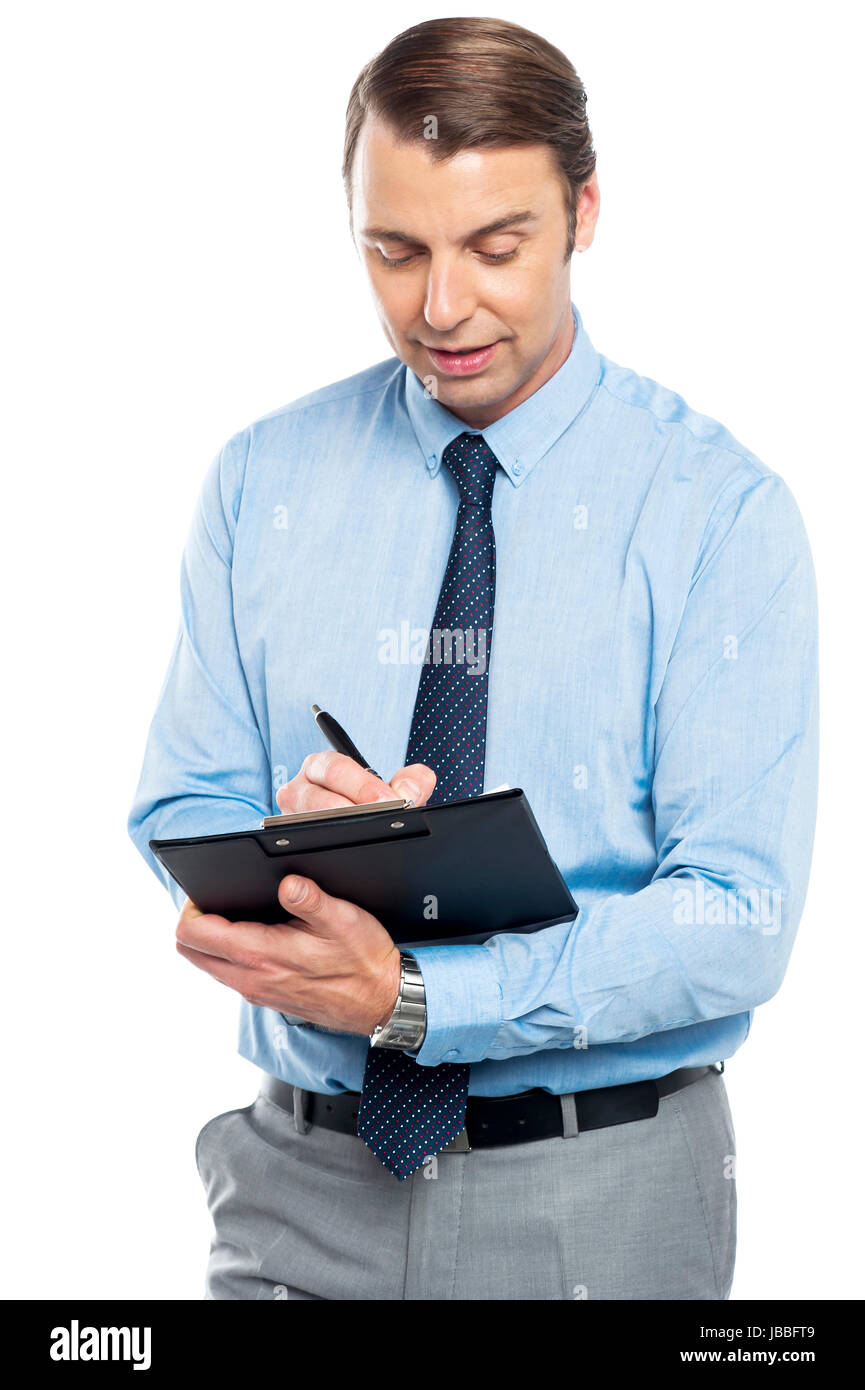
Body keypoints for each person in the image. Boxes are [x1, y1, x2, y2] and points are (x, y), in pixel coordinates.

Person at [128, 16, 818, 1301]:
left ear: (585, 210)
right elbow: (182, 805)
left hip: (598, 1206)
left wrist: (418, 996)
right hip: (297, 1194)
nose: (441, 308)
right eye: (395, 251)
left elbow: (736, 913)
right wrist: (296, 859)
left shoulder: (719, 514)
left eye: (495, 248)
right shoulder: (261, 481)